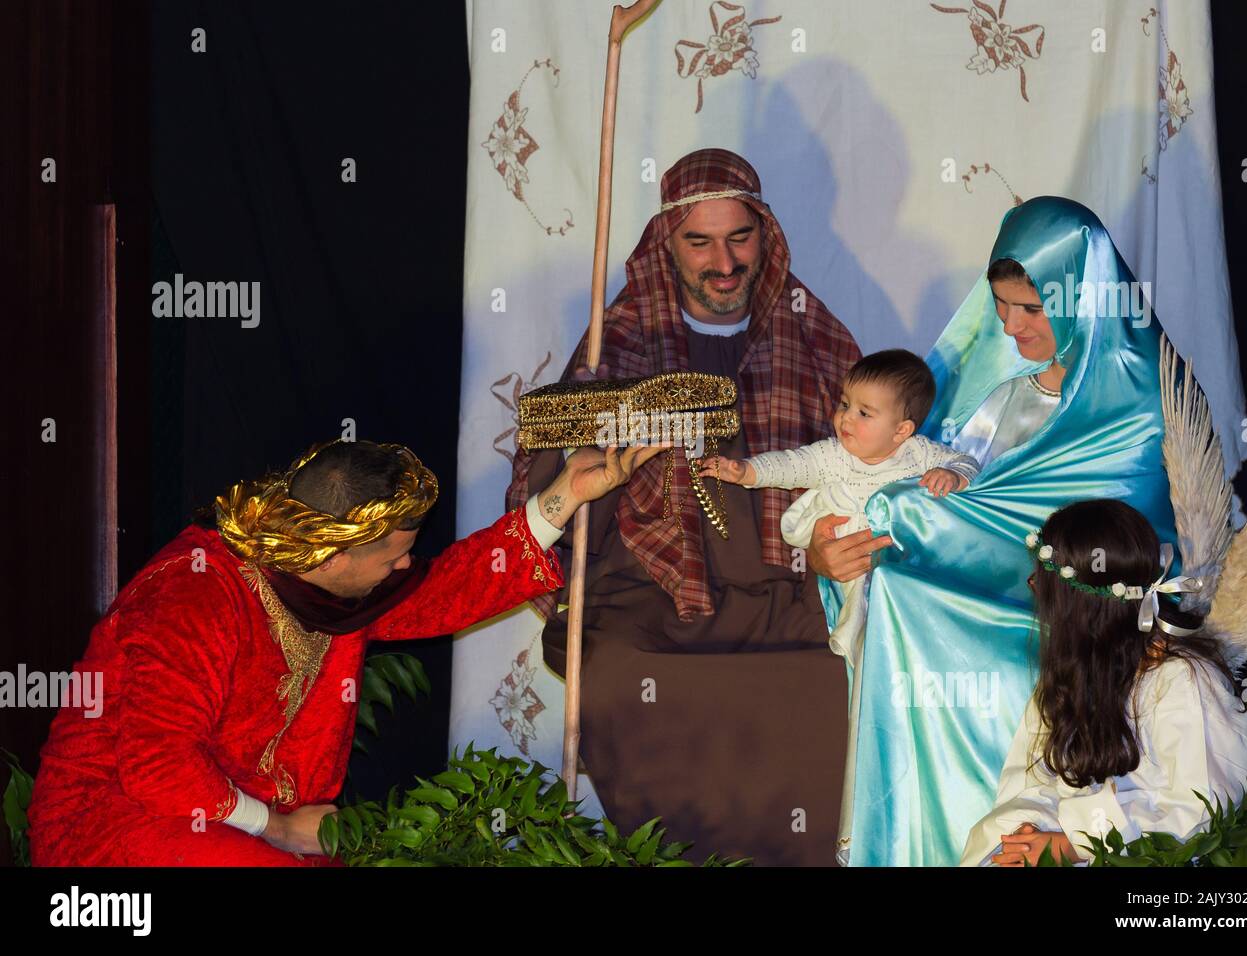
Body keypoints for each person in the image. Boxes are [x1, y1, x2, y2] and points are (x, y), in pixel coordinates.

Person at [28, 437, 661, 866]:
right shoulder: (193, 594)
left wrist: (567, 496)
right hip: (111, 825)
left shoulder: (336, 589)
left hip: (242, 819)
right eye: (394, 558)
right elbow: (156, 764)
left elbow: (446, 589)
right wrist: (274, 828)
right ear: (333, 555)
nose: (407, 567)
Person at [506, 148, 871, 865]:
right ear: (666, 244)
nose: (723, 262)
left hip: (787, 594)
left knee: (829, 679)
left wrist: (833, 552)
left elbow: (873, 463)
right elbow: (548, 486)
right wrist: (589, 431)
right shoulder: (616, 342)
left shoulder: (816, 339)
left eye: (739, 238)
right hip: (652, 600)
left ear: (765, 235)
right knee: (612, 671)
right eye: (699, 241)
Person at [820, 197, 1181, 866]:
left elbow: (1149, 546)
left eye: (1032, 308)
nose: (1011, 327)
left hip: (1088, 628)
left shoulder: (1147, 406)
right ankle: (915, 848)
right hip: (981, 606)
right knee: (898, 583)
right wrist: (849, 544)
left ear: (1085, 295)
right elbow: (927, 500)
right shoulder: (998, 400)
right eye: (1001, 306)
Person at [702, 348, 981, 862]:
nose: (845, 419)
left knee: (908, 593)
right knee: (871, 599)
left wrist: (956, 476)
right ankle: (863, 640)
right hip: (853, 578)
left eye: (863, 412)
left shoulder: (919, 455)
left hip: (903, 576)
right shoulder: (835, 455)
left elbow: (967, 460)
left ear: (903, 430)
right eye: (845, 404)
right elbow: (789, 465)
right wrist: (743, 471)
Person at [961, 499, 1247, 866]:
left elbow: (1197, 812)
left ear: (1079, 606)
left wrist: (1071, 842)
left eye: (1043, 586)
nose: (1034, 589)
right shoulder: (1070, 673)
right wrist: (1025, 838)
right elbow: (1030, 782)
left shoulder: (1180, 680)